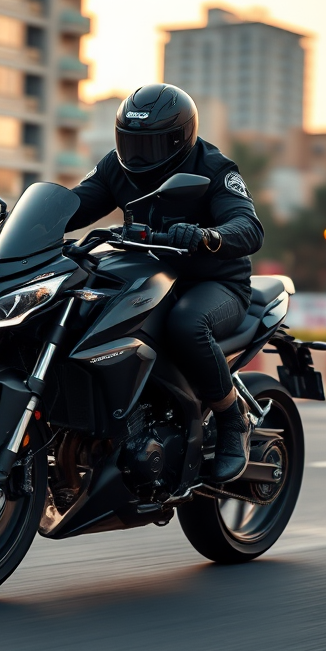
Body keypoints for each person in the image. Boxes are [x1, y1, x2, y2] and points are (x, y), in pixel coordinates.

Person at [66, 83, 264, 483]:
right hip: (149, 279)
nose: (139, 155)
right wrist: (18, 223)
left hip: (214, 283)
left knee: (186, 325)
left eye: (152, 145)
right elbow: (75, 204)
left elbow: (248, 227)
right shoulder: (114, 166)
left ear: (180, 139)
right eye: (131, 143)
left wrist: (209, 236)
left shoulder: (213, 167)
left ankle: (232, 418)